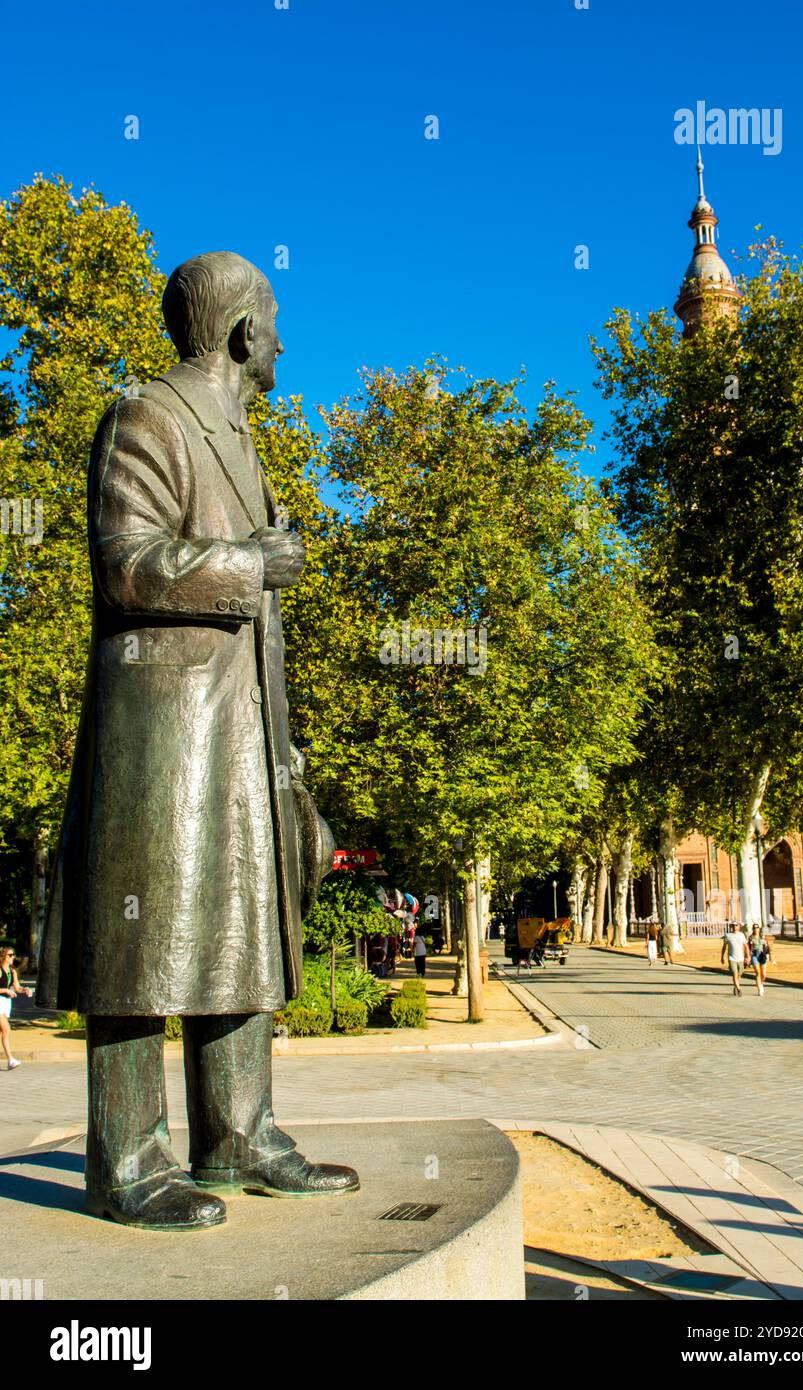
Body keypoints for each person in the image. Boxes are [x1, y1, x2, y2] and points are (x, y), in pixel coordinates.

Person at [36, 253, 358, 1228]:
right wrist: (249, 563)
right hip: (164, 733)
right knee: (140, 940)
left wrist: (287, 745)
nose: (283, 342)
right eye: (274, 321)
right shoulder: (145, 416)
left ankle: (239, 1135)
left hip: (243, 729)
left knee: (239, 925)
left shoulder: (238, 436)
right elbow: (125, 567)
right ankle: (127, 1161)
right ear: (242, 332)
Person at [0, 947, 33, 1071]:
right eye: (10, 955)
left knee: (1, 1032)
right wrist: (6, 990)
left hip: (6, 1003)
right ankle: (10, 1060)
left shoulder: (12, 971)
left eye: (13, 955)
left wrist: (25, 990)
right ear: (3, 956)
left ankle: (10, 1060)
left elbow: (17, 987)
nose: (13, 957)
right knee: (6, 1029)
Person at [721, 922, 749, 996]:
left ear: (739, 927)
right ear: (731, 927)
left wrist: (748, 956)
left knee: (739, 974)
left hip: (741, 958)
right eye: (733, 925)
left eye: (736, 925)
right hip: (731, 958)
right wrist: (722, 957)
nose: (734, 927)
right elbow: (724, 947)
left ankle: (736, 986)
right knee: (735, 973)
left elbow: (746, 946)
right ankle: (739, 989)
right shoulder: (728, 935)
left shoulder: (742, 935)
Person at [748, 924, 773, 996]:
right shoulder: (751, 937)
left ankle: (761, 983)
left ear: (759, 929)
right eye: (754, 928)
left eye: (757, 927)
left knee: (764, 974)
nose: (756, 929)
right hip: (754, 955)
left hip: (762, 955)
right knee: (758, 973)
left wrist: (770, 957)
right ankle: (759, 990)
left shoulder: (763, 937)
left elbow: (768, 947)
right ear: (753, 929)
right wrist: (748, 958)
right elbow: (749, 948)